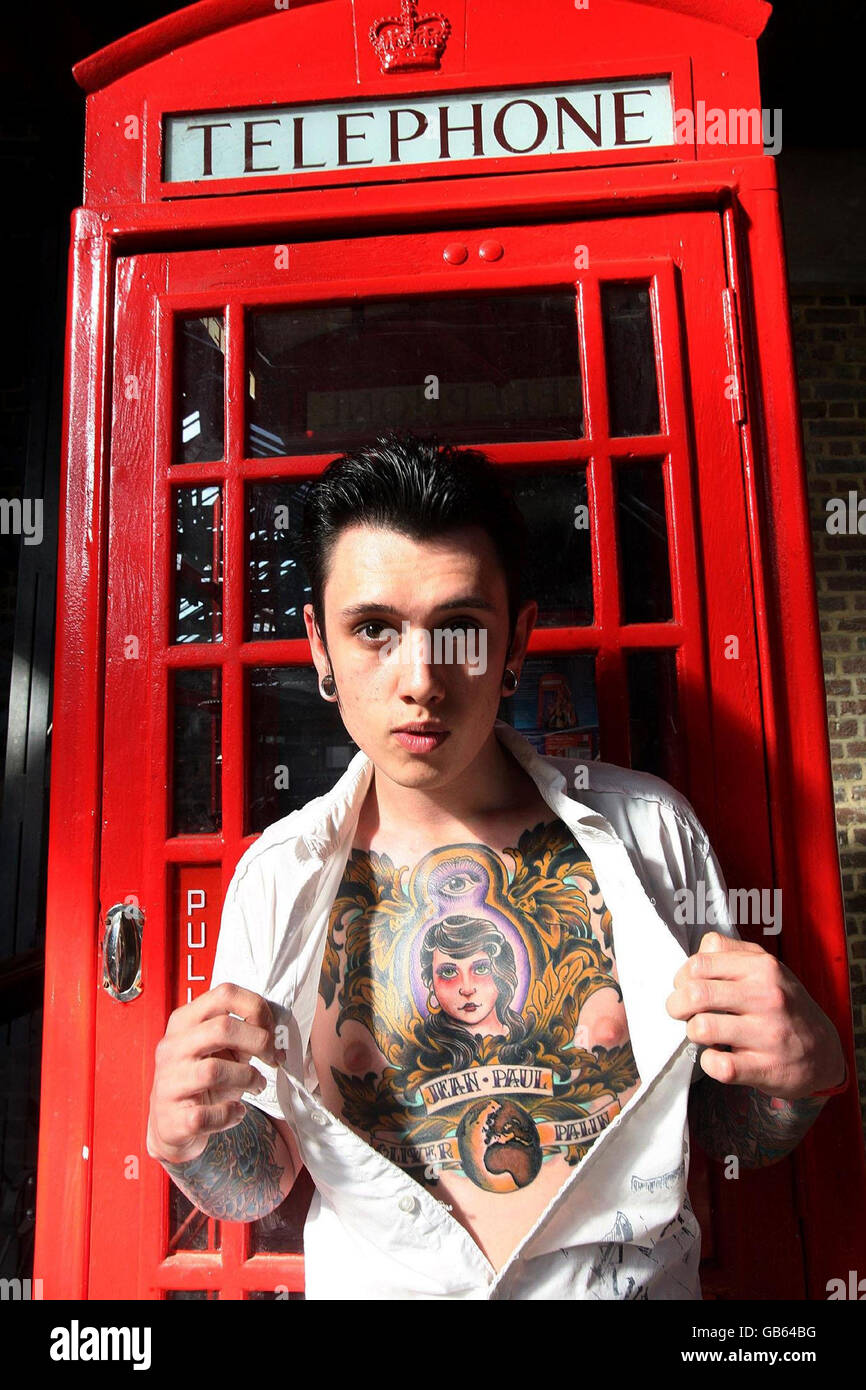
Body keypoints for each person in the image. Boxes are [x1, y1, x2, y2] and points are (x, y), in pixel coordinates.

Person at [145, 429, 848, 1299]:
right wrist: (190, 1140)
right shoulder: (277, 878)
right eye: (373, 630)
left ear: (516, 642)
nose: (421, 681)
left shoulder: (650, 832)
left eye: (460, 630)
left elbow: (731, 1131)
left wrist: (802, 1079)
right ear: (320, 650)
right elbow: (259, 1183)